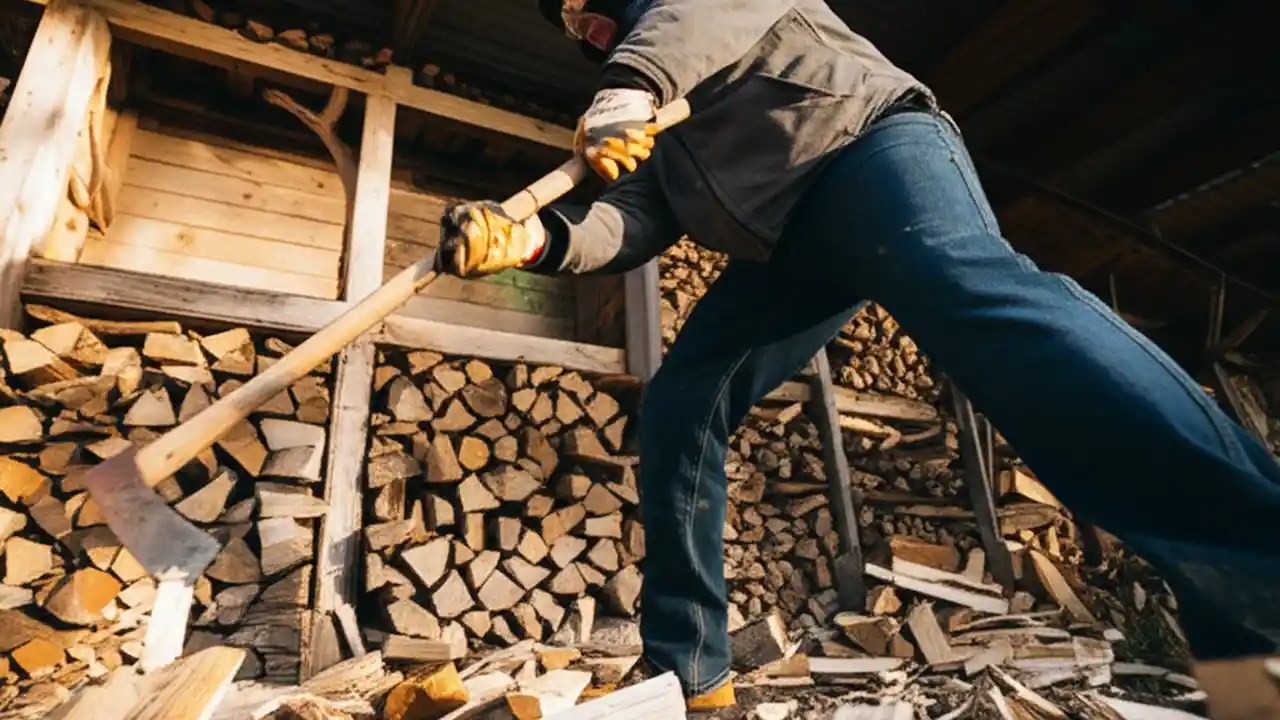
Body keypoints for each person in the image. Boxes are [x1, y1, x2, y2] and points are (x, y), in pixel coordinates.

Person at [433, 0, 1280, 711]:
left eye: (584, 4)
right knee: (685, 400)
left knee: (970, 297)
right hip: (787, 244)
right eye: (569, 23)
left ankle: (1257, 569)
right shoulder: (653, 107)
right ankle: (691, 670)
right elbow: (638, 217)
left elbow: (693, 16)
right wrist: (535, 241)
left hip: (869, 146)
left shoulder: (668, 34)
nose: (582, 25)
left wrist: (631, 81)